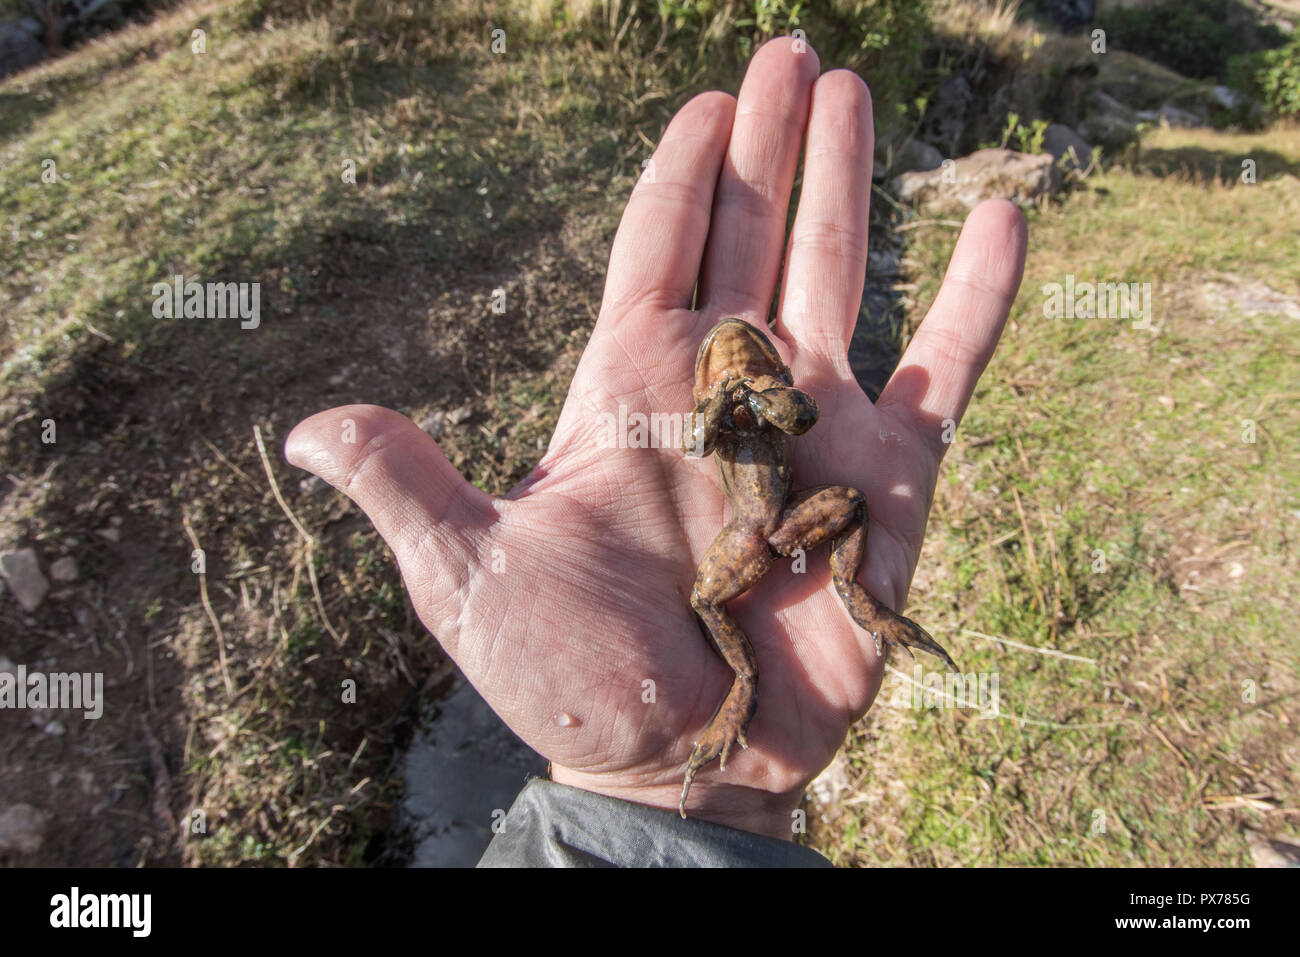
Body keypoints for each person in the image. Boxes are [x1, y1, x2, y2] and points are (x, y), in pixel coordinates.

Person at [286, 37, 1027, 866]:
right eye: (732, 356)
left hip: (784, 522)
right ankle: (740, 692)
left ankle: (858, 597)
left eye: (756, 354)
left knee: (850, 506)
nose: (745, 360)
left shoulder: (771, 393)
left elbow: (807, 415)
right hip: (748, 536)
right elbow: (706, 433)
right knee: (711, 601)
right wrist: (728, 400)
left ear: (771, 359)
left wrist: (767, 393)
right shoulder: (712, 406)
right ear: (712, 367)